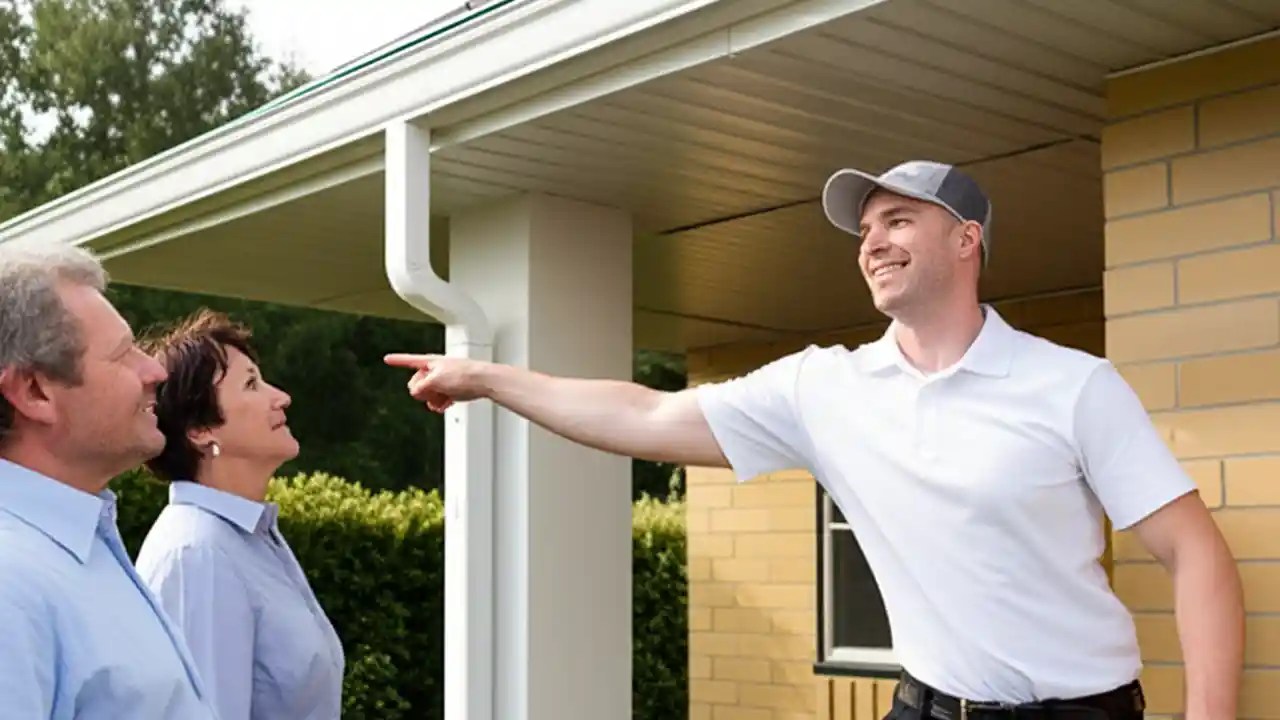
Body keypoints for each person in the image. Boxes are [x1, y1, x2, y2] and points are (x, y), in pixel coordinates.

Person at [386, 161, 1245, 719]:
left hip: (1077, 711)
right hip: (926, 707)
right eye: (866, 230)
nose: (872, 242)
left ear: (967, 239)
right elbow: (646, 416)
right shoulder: (824, 388)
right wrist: (489, 378)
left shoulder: (1073, 386)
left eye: (899, 220)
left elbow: (1196, 555)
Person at [0, 241, 218, 719]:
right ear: (34, 392)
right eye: (123, 355)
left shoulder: (77, 547)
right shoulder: (11, 582)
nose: (154, 370)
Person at [134, 309, 345, 720]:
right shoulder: (198, 554)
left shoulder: (252, 538)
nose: (280, 396)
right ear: (200, 430)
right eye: (251, 384)